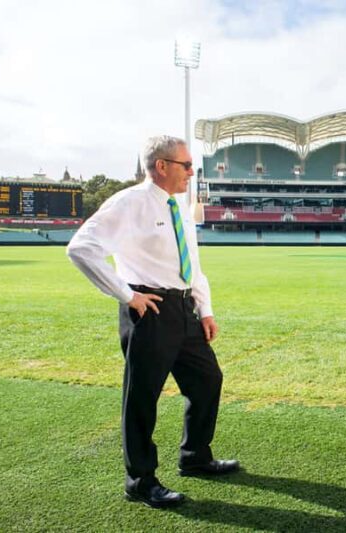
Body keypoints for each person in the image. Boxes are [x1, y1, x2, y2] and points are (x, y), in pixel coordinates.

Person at [67, 135, 238, 509]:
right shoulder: (129, 203)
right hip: (149, 311)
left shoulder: (179, 206)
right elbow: (81, 248)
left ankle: (194, 456)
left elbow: (193, 264)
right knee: (142, 398)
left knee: (209, 380)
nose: (192, 172)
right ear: (161, 166)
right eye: (186, 165)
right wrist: (128, 296)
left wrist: (205, 310)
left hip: (184, 310)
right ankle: (140, 481)